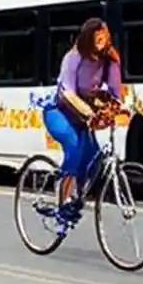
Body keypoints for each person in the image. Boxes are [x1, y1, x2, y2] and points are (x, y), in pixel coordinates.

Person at [46, 18, 121, 220]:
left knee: (94, 157)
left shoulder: (110, 60)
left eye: (104, 38)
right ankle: (62, 200)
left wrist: (119, 108)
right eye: (98, 38)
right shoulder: (73, 58)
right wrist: (90, 112)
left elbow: (116, 92)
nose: (102, 42)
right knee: (75, 146)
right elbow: (67, 92)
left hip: (83, 117)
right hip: (60, 112)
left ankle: (79, 195)